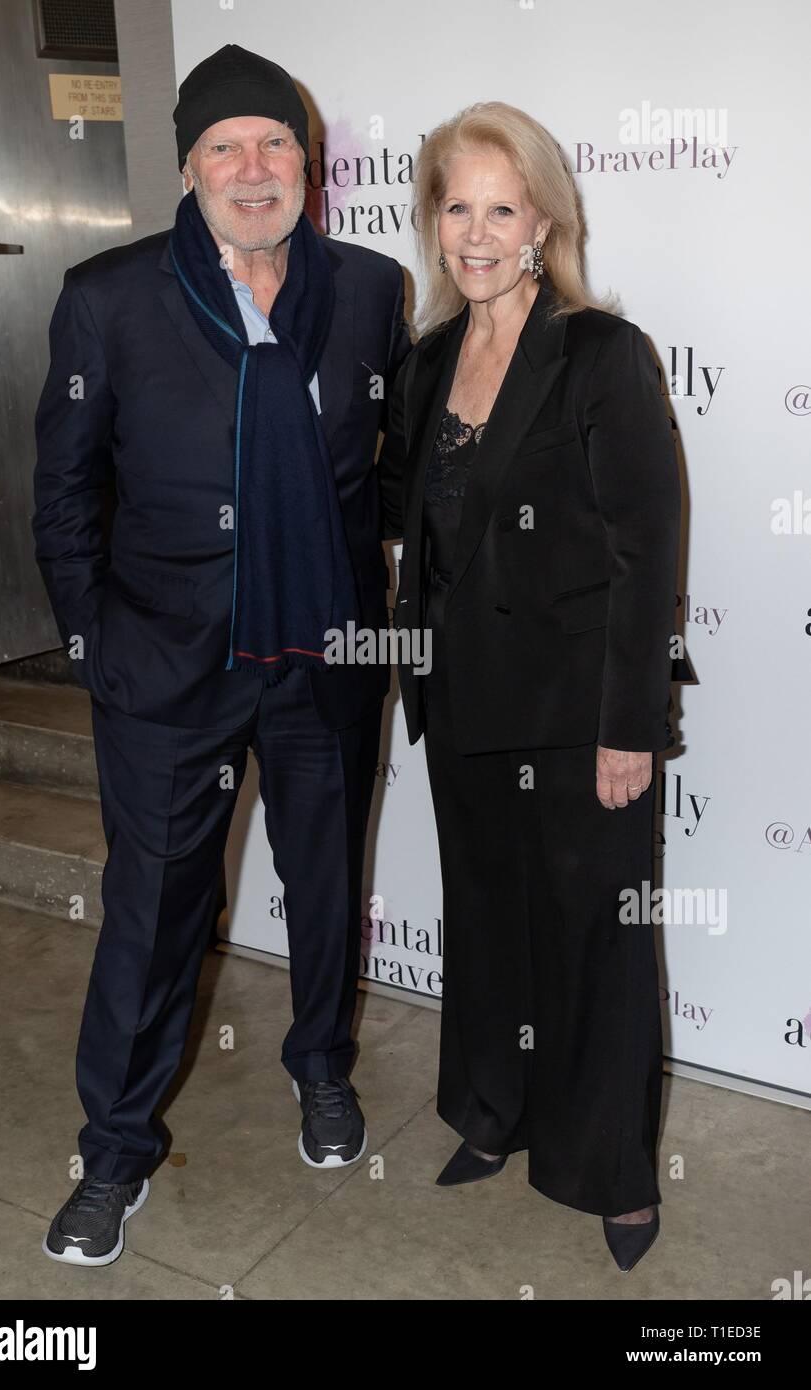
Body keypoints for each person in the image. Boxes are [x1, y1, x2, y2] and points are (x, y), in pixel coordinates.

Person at [33, 43, 410, 1266]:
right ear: (188, 167)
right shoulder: (109, 298)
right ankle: (114, 1149)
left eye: (276, 145)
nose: (254, 169)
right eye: (226, 148)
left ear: (309, 162)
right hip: (167, 669)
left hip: (320, 658)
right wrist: (103, 649)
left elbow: (391, 478)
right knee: (148, 915)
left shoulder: (367, 289)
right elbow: (62, 498)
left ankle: (321, 1071)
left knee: (323, 886)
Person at [379, 102, 680, 1272]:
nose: (475, 229)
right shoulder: (422, 362)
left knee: (596, 942)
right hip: (461, 705)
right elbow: (405, 516)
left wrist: (627, 728)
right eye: (455, 204)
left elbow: (642, 551)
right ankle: (492, 1113)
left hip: (575, 714)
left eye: (500, 206)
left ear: (541, 219)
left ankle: (610, 1170)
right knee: (488, 928)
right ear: (432, 220)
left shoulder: (600, 353)